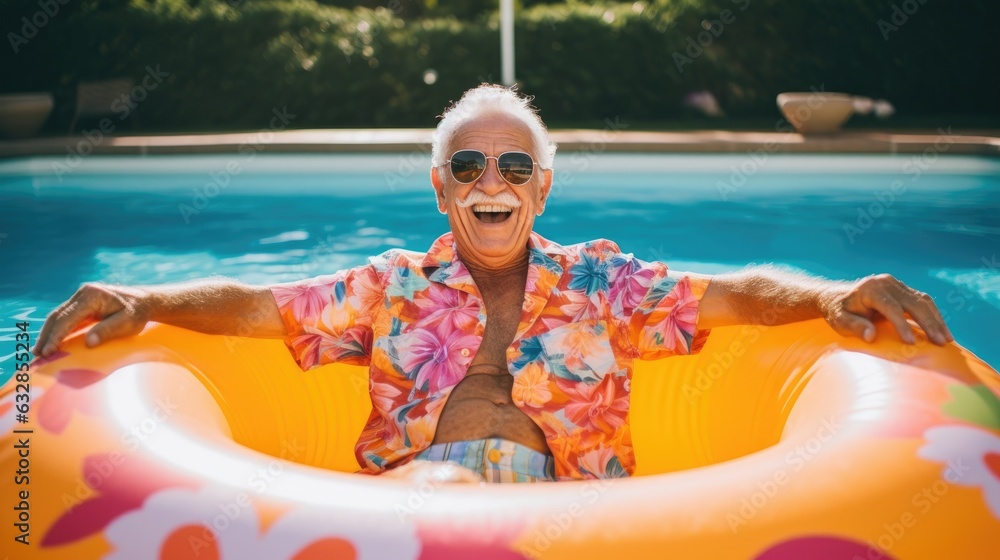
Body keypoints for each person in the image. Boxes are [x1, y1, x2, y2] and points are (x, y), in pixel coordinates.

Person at [33, 84, 952, 483]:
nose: (491, 187)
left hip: (574, 513)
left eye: (515, 169)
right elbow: (261, 308)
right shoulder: (391, 287)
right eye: (468, 167)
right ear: (441, 187)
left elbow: (732, 293)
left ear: (543, 187)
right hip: (415, 501)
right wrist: (144, 300)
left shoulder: (600, 279)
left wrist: (831, 291)